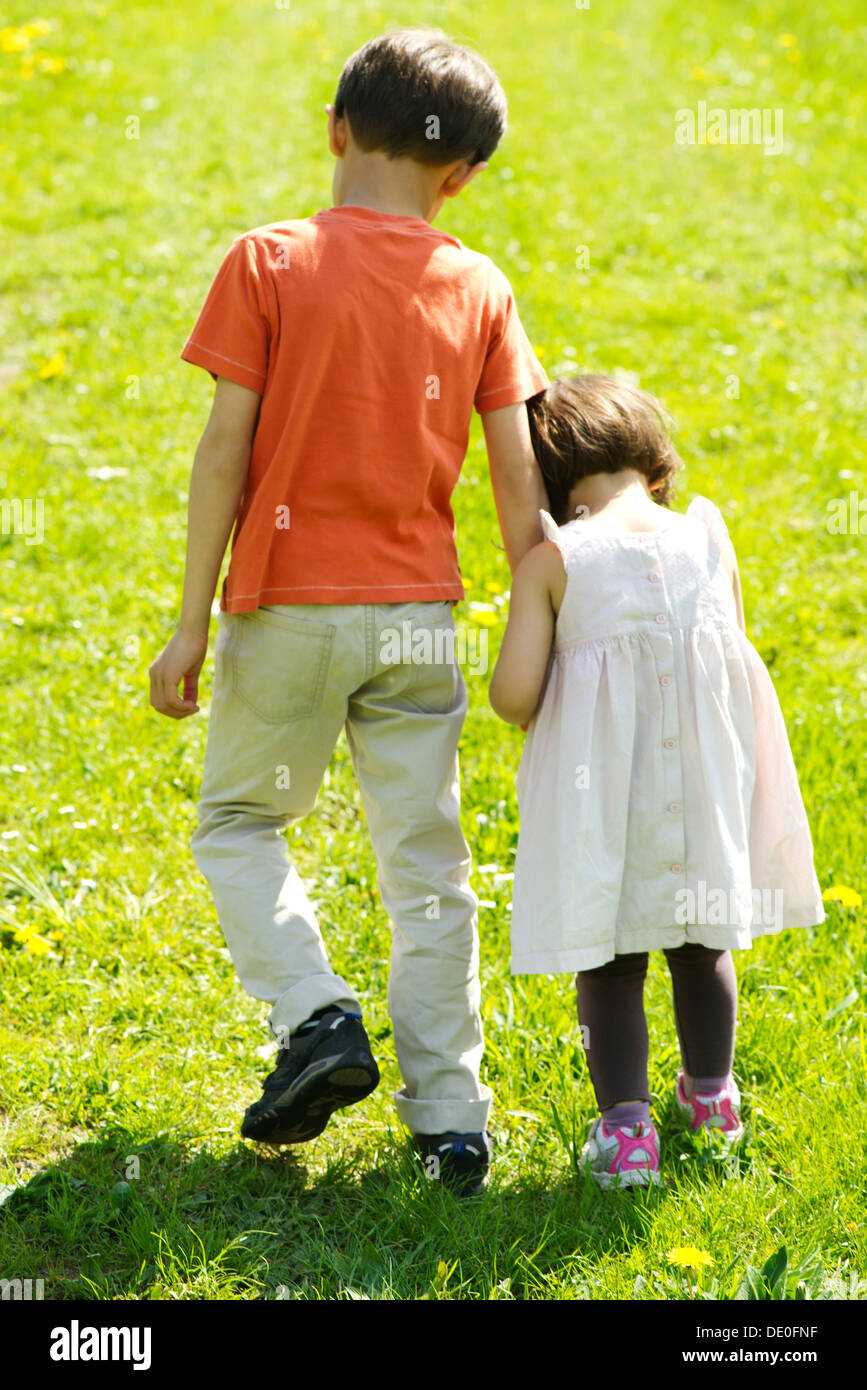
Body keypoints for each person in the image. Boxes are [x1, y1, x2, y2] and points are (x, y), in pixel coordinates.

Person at [147, 28, 549, 1196]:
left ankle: (315, 1015)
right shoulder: (478, 282)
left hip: (286, 610)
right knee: (428, 863)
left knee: (238, 823)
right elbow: (519, 480)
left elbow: (224, 454)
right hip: (421, 615)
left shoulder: (269, 262)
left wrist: (189, 624)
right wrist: (545, 622)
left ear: (334, 129)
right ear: (461, 174)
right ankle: (451, 1118)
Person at [488, 374, 825, 1189]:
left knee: (610, 962)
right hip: (703, 781)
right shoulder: (706, 536)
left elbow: (512, 697)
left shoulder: (552, 559)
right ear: (651, 453)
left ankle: (627, 1135)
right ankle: (713, 1105)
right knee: (701, 942)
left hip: (600, 794)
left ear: (552, 473)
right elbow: (732, 657)